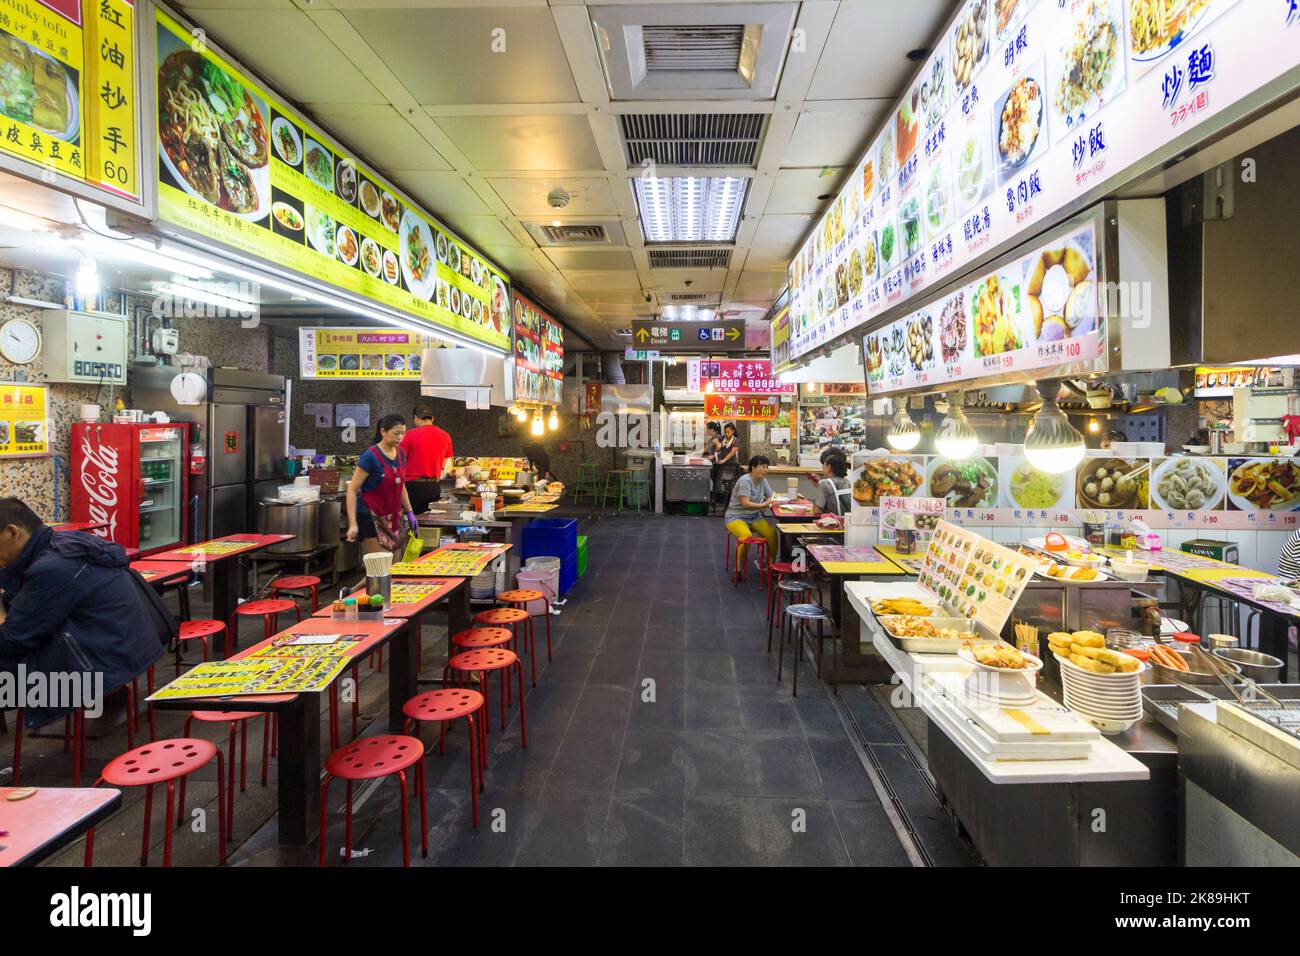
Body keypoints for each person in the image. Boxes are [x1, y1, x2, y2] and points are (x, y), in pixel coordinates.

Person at [0, 498, 161, 728]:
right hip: (123, 647)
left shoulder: (52, 567)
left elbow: (13, 639)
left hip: (94, 667)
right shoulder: (67, 542)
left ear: (12, 532)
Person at [347, 414, 418, 556]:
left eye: (403, 433)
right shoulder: (370, 456)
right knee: (378, 567)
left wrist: (410, 512)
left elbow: (400, 485)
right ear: (383, 431)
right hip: (371, 516)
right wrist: (353, 523)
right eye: (396, 433)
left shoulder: (401, 454)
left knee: (393, 567)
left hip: (393, 516)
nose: (400, 437)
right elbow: (352, 490)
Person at [725, 455, 778, 571]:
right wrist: (763, 505)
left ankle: (770, 564)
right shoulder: (745, 481)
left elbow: (771, 496)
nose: (766, 470)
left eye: (767, 467)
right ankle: (738, 567)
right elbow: (745, 504)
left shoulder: (762, 480)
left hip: (754, 516)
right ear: (753, 468)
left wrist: (775, 499)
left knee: (772, 533)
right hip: (736, 516)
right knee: (746, 536)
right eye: (763, 467)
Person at [400, 404, 453, 513]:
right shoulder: (445, 436)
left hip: (412, 487)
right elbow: (444, 464)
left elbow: (399, 461)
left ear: (415, 418)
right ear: (433, 418)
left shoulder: (408, 435)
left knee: (412, 523)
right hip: (433, 487)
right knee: (430, 522)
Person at [811, 452, 853, 516]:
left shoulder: (823, 483)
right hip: (847, 522)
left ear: (829, 467)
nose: (822, 467)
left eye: (824, 464)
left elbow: (817, 511)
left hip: (831, 523)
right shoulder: (847, 482)